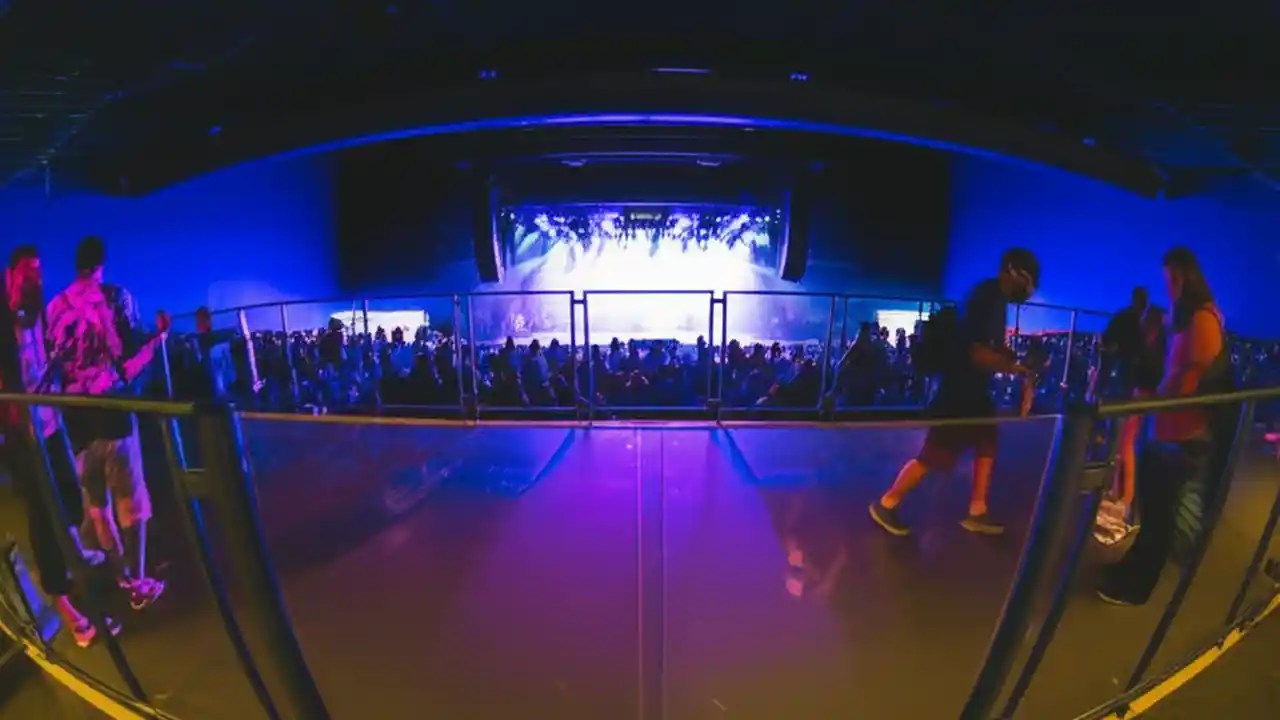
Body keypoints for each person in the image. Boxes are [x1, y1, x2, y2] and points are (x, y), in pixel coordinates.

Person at [869, 248, 1039, 537]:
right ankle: (888, 503)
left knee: (987, 441)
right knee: (934, 455)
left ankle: (977, 510)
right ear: (1013, 272)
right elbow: (976, 353)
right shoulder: (988, 298)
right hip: (960, 392)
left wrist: (1009, 359)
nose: (1029, 289)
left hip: (971, 390)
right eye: (1028, 281)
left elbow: (987, 346)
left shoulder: (993, 297)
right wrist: (1012, 367)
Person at [0, 245, 119, 647]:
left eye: (38, 271)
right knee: (42, 516)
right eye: (26, 272)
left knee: (69, 495)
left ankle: (74, 554)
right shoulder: (5, 316)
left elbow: (43, 358)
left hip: (49, 422)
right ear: (11, 275)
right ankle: (69, 610)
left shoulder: (36, 313)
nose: (34, 279)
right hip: (24, 433)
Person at [1098, 248, 1231, 606]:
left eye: (1171, 279)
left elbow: (1190, 379)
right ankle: (1131, 572)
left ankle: (1136, 587)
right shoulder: (1187, 320)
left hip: (1184, 432)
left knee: (1161, 517)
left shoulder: (1203, 319)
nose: (1168, 287)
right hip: (1171, 430)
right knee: (1157, 512)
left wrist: (1157, 396)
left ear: (1184, 277)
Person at [46, 236, 170, 610]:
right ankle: (138, 581)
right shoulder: (115, 298)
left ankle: (121, 576)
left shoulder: (55, 307)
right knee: (131, 503)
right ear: (101, 264)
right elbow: (128, 364)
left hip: (77, 422)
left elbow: (52, 367)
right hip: (112, 414)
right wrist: (159, 338)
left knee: (97, 508)